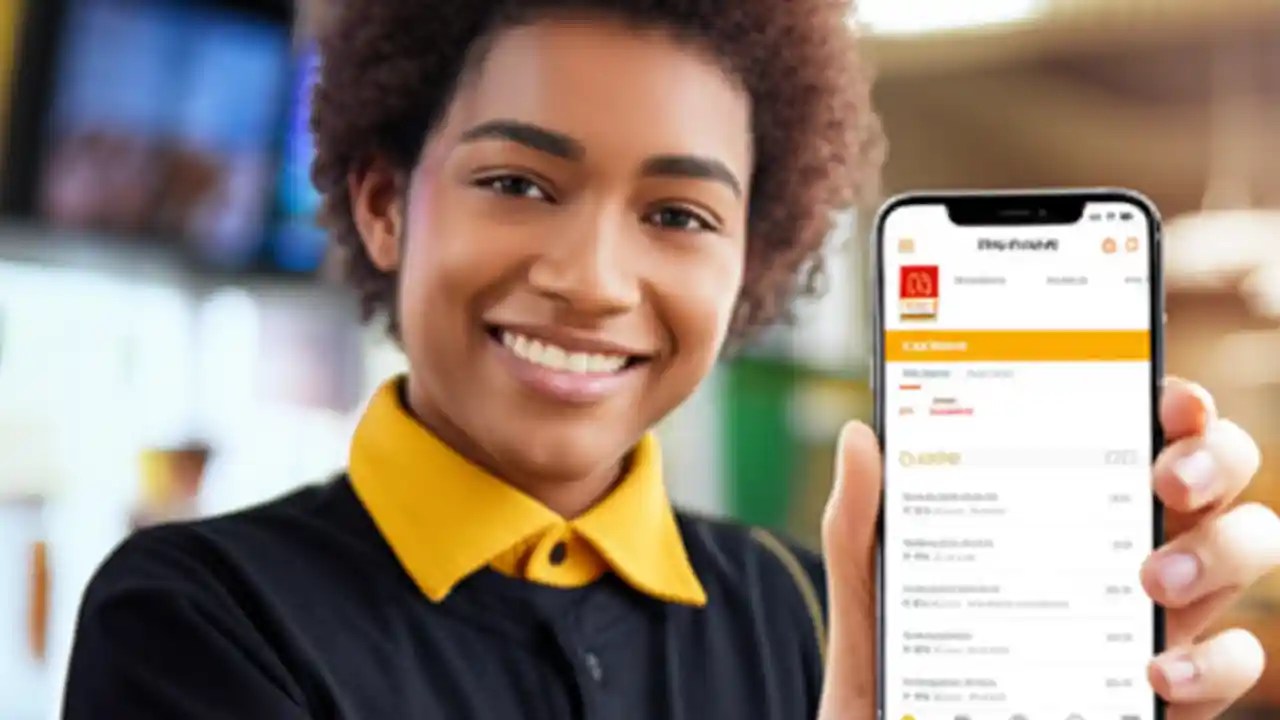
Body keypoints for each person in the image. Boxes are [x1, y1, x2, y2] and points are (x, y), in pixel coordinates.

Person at [63, 1, 1279, 718]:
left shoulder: (817, 616)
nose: (592, 279)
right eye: (517, 182)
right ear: (385, 203)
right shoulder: (200, 619)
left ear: (753, 257)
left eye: (679, 215)